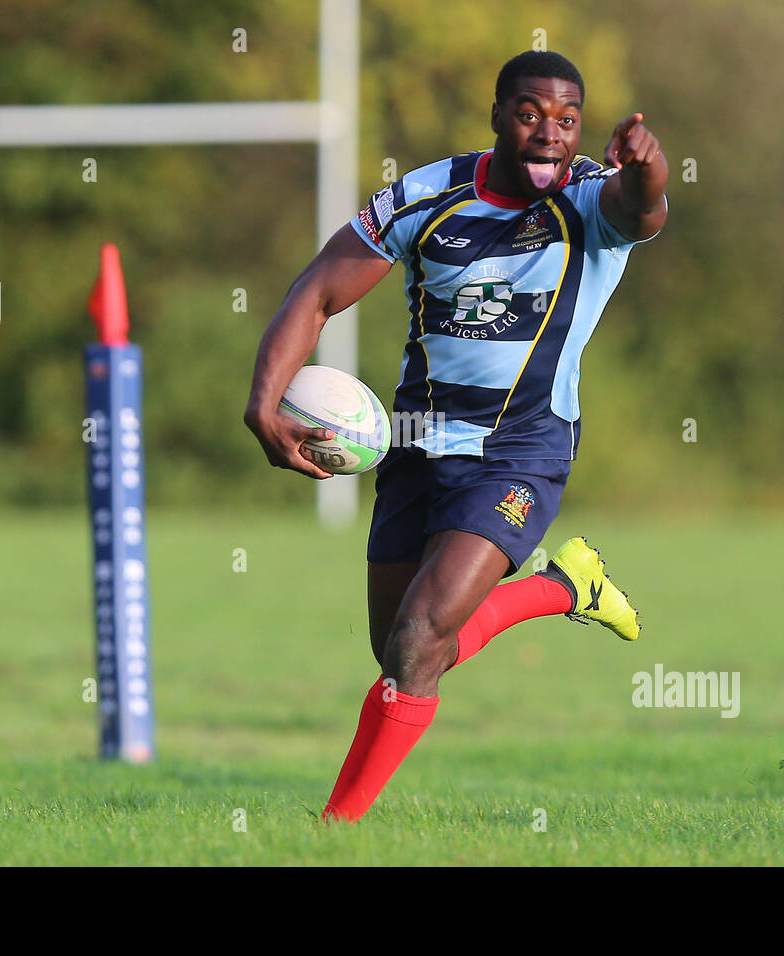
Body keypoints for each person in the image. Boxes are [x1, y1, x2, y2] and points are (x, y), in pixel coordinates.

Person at [244, 50, 668, 822]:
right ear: (499, 115)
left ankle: (332, 829)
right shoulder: (426, 196)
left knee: (417, 642)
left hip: (520, 456)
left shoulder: (588, 203)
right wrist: (263, 403)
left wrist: (647, 169)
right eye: (532, 114)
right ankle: (564, 587)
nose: (550, 133)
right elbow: (316, 291)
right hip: (413, 448)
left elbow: (642, 209)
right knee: (399, 651)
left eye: (568, 120)